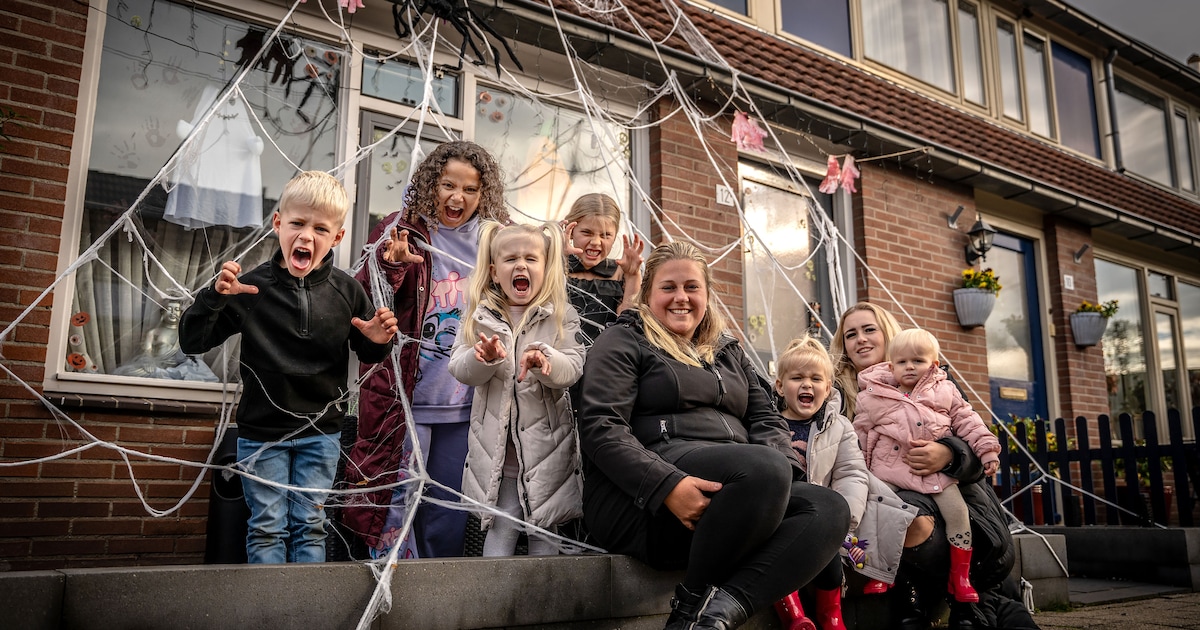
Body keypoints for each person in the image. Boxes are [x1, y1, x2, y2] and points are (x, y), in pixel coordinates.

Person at [577, 241, 850, 629]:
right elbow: (602, 428)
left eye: (692, 287)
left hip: (740, 493)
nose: (681, 298)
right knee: (764, 468)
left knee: (828, 507)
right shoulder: (624, 340)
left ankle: (707, 617)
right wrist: (667, 486)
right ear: (647, 294)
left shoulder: (727, 351)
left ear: (707, 295)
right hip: (644, 501)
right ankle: (694, 610)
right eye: (668, 287)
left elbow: (767, 419)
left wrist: (780, 488)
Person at [179, 170, 399, 564]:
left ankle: (305, 614)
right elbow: (192, 342)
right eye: (297, 223)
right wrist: (212, 298)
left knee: (309, 527)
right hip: (261, 435)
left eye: (320, 228)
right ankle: (271, 615)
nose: (306, 235)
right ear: (278, 223)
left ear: (337, 237)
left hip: (322, 436)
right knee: (266, 528)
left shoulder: (348, 291)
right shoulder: (252, 286)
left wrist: (378, 341)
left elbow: (366, 351)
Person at [342, 140, 510, 559]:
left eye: (470, 189)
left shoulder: (495, 239)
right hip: (406, 399)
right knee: (393, 505)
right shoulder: (401, 228)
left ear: (483, 193)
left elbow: (525, 288)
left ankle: (436, 600)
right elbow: (366, 301)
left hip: (465, 402)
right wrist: (393, 264)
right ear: (430, 183)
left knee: (446, 511)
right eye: (448, 185)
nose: (458, 197)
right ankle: (391, 594)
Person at [832, 302, 1039, 630]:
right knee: (907, 518)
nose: (860, 339)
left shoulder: (932, 380)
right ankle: (946, 607)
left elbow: (970, 432)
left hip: (953, 495)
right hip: (892, 496)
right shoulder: (838, 395)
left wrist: (949, 453)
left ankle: (970, 607)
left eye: (869, 329)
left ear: (888, 333)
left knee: (984, 574)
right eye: (850, 335)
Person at [448, 221, 585, 556]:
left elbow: (574, 367)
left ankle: (545, 605)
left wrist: (546, 361)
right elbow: (460, 367)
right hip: (499, 460)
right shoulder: (480, 316)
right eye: (510, 260)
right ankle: (494, 603)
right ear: (494, 272)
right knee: (500, 530)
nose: (521, 265)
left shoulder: (560, 316)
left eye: (531, 258)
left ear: (545, 268)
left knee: (545, 534)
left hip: (547, 456)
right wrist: (486, 359)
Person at [771, 336, 916, 630]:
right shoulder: (769, 423)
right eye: (797, 378)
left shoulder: (839, 427)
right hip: (778, 512)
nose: (806, 385)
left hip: (820, 514)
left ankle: (831, 616)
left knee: (829, 562)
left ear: (828, 387)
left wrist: (844, 516)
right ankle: (794, 616)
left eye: (815, 379)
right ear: (779, 386)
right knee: (774, 557)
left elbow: (852, 472)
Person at [854, 328, 1001, 604]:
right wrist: (860, 469)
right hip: (891, 468)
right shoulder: (873, 396)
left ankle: (960, 577)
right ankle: (879, 572)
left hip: (934, 472)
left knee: (958, 513)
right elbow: (859, 434)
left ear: (933, 365)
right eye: (902, 362)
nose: (909, 367)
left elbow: (969, 421)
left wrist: (988, 451)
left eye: (918, 361)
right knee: (877, 509)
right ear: (891, 366)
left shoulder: (945, 390)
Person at [562, 192, 644, 345]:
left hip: (605, 356)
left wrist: (633, 275)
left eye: (605, 235)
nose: (595, 241)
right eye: (587, 232)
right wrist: (557, 259)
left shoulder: (620, 272)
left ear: (614, 237)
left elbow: (627, 324)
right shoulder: (556, 266)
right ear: (571, 230)